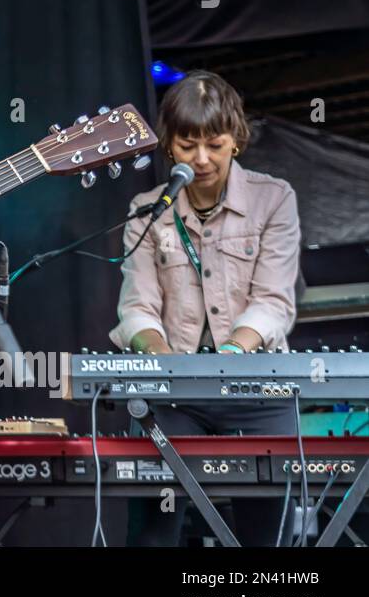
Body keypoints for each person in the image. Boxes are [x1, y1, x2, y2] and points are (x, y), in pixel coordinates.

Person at [112, 70, 301, 546]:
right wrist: (163, 358)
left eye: (214, 145)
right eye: (186, 145)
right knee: (154, 533)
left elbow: (273, 301)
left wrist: (231, 355)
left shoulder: (273, 199)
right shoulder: (146, 210)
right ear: (168, 146)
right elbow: (138, 307)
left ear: (236, 141)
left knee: (267, 539)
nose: (200, 159)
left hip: (260, 390)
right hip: (174, 400)